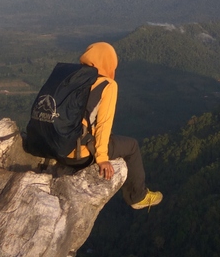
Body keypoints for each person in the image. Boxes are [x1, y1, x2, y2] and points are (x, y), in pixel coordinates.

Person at [66, 41, 163, 211]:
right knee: (131, 146)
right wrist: (102, 158)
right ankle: (138, 196)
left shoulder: (72, 77)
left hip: (57, 144)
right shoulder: (107, 85)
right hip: (78, 152)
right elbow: (103, 125)